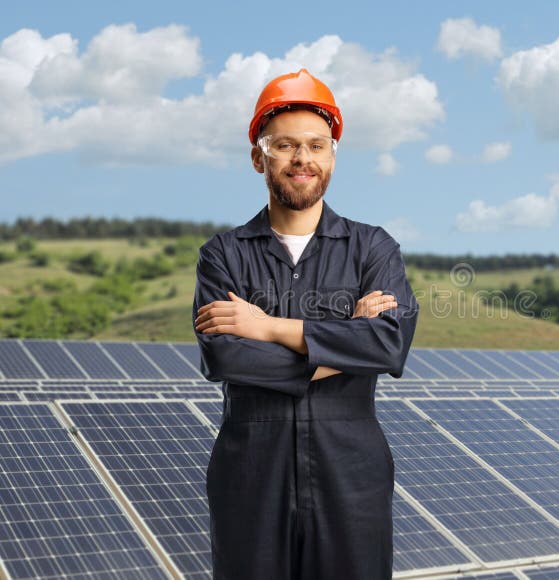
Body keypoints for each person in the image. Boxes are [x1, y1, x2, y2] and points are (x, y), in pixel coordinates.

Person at [192, 68, 419, 579]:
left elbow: (386, 344)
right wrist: (343, 350)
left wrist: (270, 328)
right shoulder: (223, 255)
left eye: (317, 146)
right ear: (258, 157)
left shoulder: (373, 248)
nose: (303, 159)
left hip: (351, 477)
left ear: (332, 156)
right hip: (251, 475)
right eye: (286, 146)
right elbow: (226, 356)